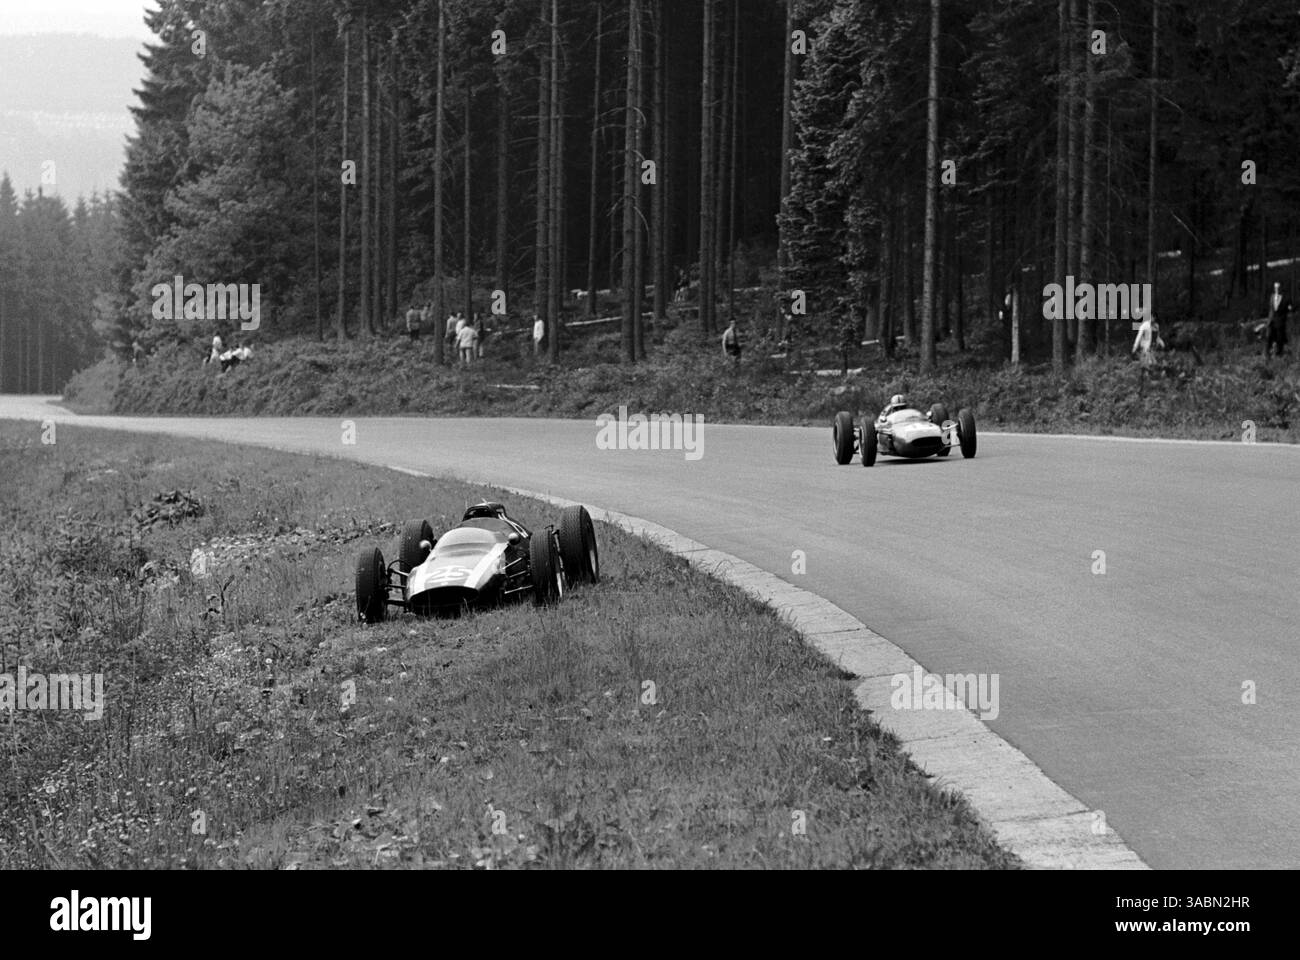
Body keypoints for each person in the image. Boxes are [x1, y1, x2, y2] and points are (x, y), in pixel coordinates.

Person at [1131, 312, 1164, 391]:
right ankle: (1143, 385)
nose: (1154, 319)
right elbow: (1138, 336)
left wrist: (1162, 343)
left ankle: (1149, 384)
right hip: (1145, 348)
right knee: (1146, 366)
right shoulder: (1144, 325)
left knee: (1152, 365)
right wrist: (1135, 347)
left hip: (1152, 348)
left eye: (1155, 318)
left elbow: (1157, 337)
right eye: (1153, 317)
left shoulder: (1156, 326)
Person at [1265, 281, 1291, 359]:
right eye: (1276, 287)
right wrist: (1269, 319)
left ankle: (1279, 354)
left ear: (1281, 288)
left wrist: (1289, 308)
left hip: (1280, 321)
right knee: (1268, 336)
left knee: (1280, 338)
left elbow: (1289, 307)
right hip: (1271, 321)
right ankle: (1267, 353)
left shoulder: (1285, 298)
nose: (1277, 289)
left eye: (1278, 287)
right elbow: (1271, 309)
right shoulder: (1272, 296)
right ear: (1274, 288)